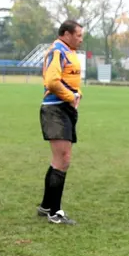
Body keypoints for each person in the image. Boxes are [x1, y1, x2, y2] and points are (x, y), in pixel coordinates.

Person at [38, 20, 84, 225]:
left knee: (59, 158)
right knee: (63, 159)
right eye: (78, 35)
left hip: (63, 109)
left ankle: (46, 206)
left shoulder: (68, 51)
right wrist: (70, 96)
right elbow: (52, 81)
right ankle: (55, 213)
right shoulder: (57, 51)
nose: (80, 39)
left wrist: (77, 94)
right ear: (66, 34)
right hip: (55, 109)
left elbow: (70, 80)